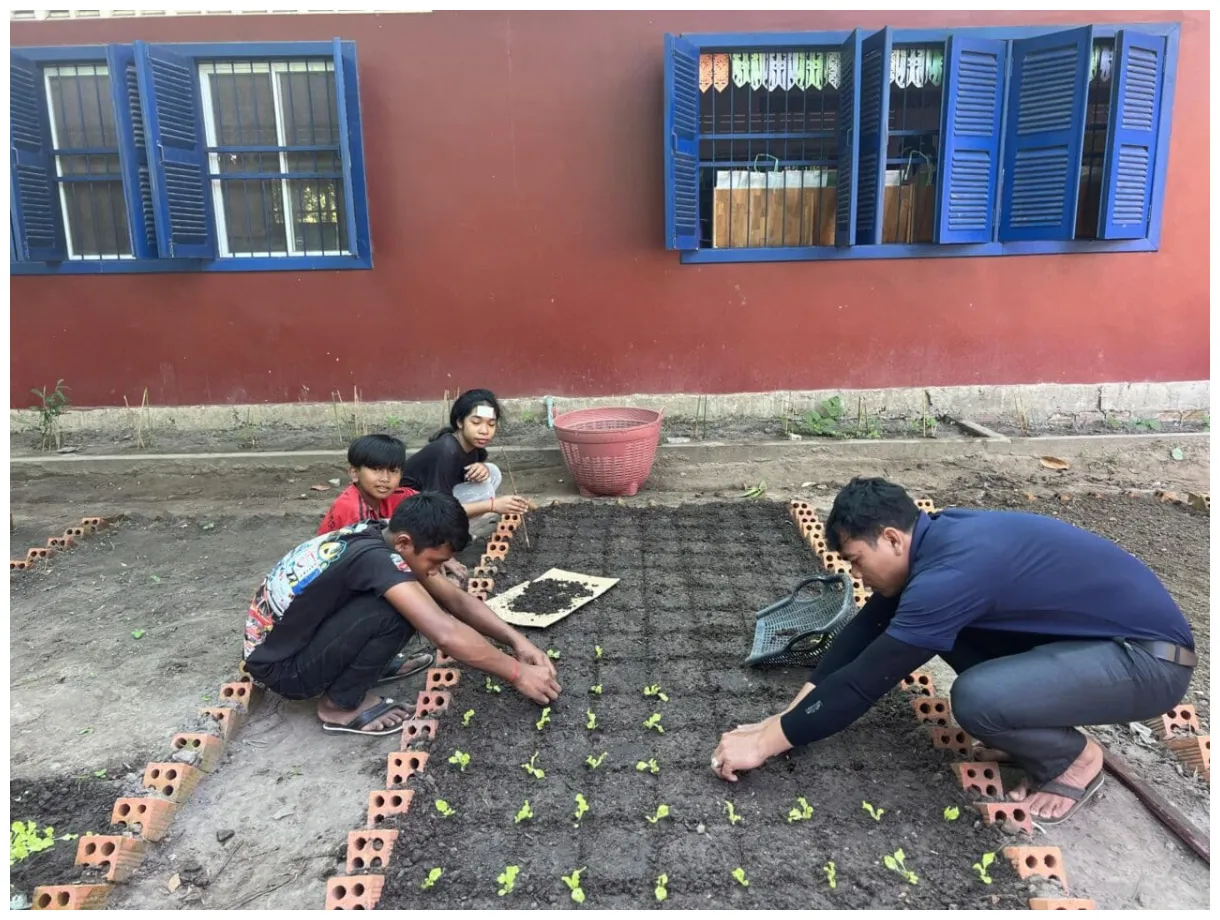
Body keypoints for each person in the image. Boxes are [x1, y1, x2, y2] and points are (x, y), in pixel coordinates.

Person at [712, 477, 1196, 827]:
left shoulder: (950, 576)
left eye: (857, 561)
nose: (857, 576)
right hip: (1097, 645)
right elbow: (862, 635)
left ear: (892, 538)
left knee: (978, 699)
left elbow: (864, 683)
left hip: (1148, 663)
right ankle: (1024, 725)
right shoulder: (937, 540)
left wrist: (766, 743)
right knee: (941, 633)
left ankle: (1073, 760)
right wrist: (787, 715)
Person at [243, 491, 561, 735]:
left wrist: (517, 641)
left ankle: (359, 667)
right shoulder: (379, 560)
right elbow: (445, 633)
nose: (436, 571)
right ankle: (339, 706)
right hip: (284, 670)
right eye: (435, 562)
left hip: (288, 644)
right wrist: (517, 674)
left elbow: (457, 600)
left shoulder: (384, 534)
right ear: (405, 543)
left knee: (409, 597)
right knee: (400, 611)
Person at [319, 433, 463, 588]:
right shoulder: (352, 508)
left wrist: (444, 557)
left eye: (393, 471)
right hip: (336, 572)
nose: (385, 479)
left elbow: (434, 511)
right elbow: (370, 562)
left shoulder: (399, 495)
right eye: (376, 469)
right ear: (354, 473)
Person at [401, 389, 533, 535]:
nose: (484, 431)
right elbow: (438, 508)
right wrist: (492, 505)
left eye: (491, 424)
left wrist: (482, 468)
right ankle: (455, 535)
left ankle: (463, 526)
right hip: (410, 514)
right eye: (476, 422)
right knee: (483, 490)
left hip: (437, 501)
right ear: (460, 422)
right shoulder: (445, 451)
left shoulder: (471, 446)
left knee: (492, 471)